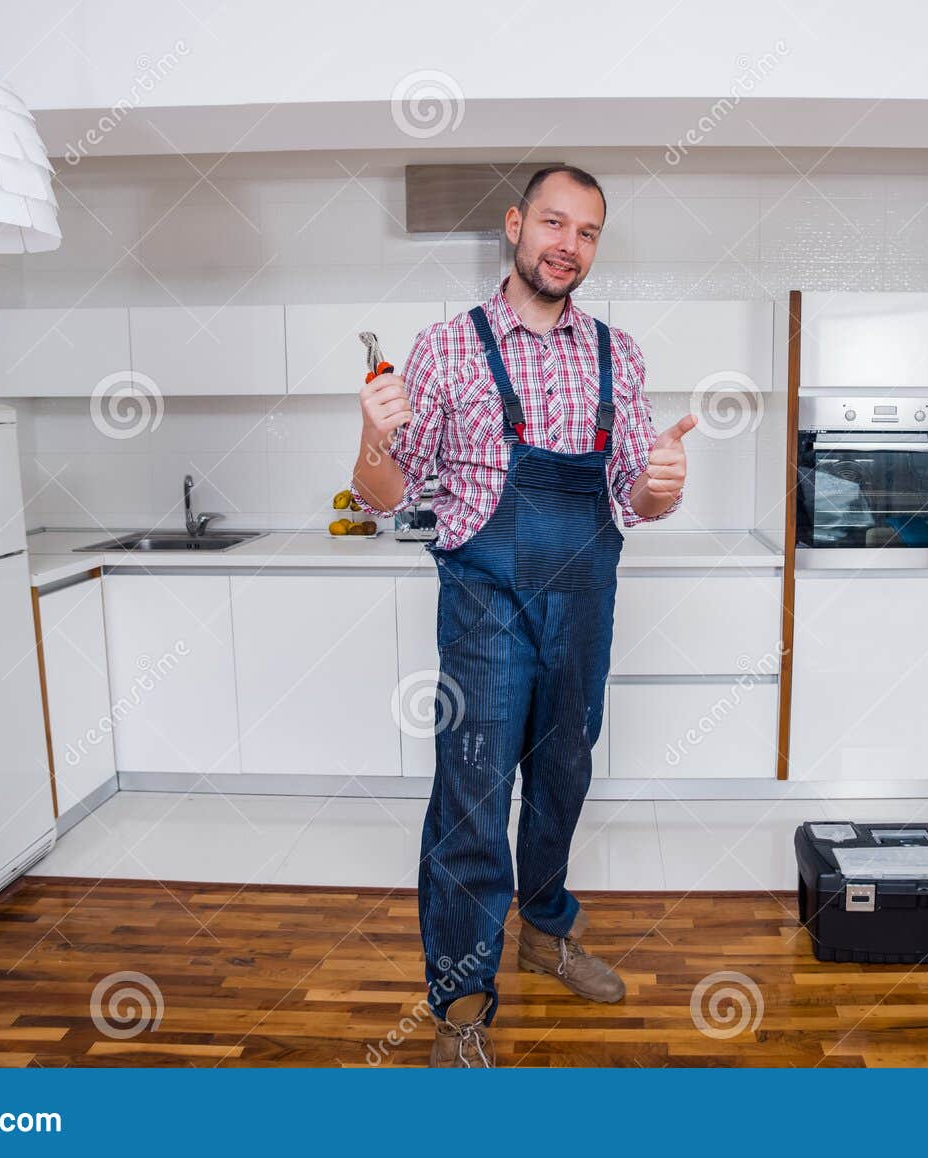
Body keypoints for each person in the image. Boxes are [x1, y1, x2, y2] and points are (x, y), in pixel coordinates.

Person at [350, 164, 694, 1067]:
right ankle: (462, 1008)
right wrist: (372, 433)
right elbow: (385, 494)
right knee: (471, 797)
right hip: (485, 605)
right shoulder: (445, 347)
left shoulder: (621, 354)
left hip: (583, 602)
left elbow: (634, 497)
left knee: (561, 782)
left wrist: (660, 490)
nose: (567, 245)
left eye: (586, 232)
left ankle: (545, 933)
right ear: (515, 225)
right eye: (553, 222)